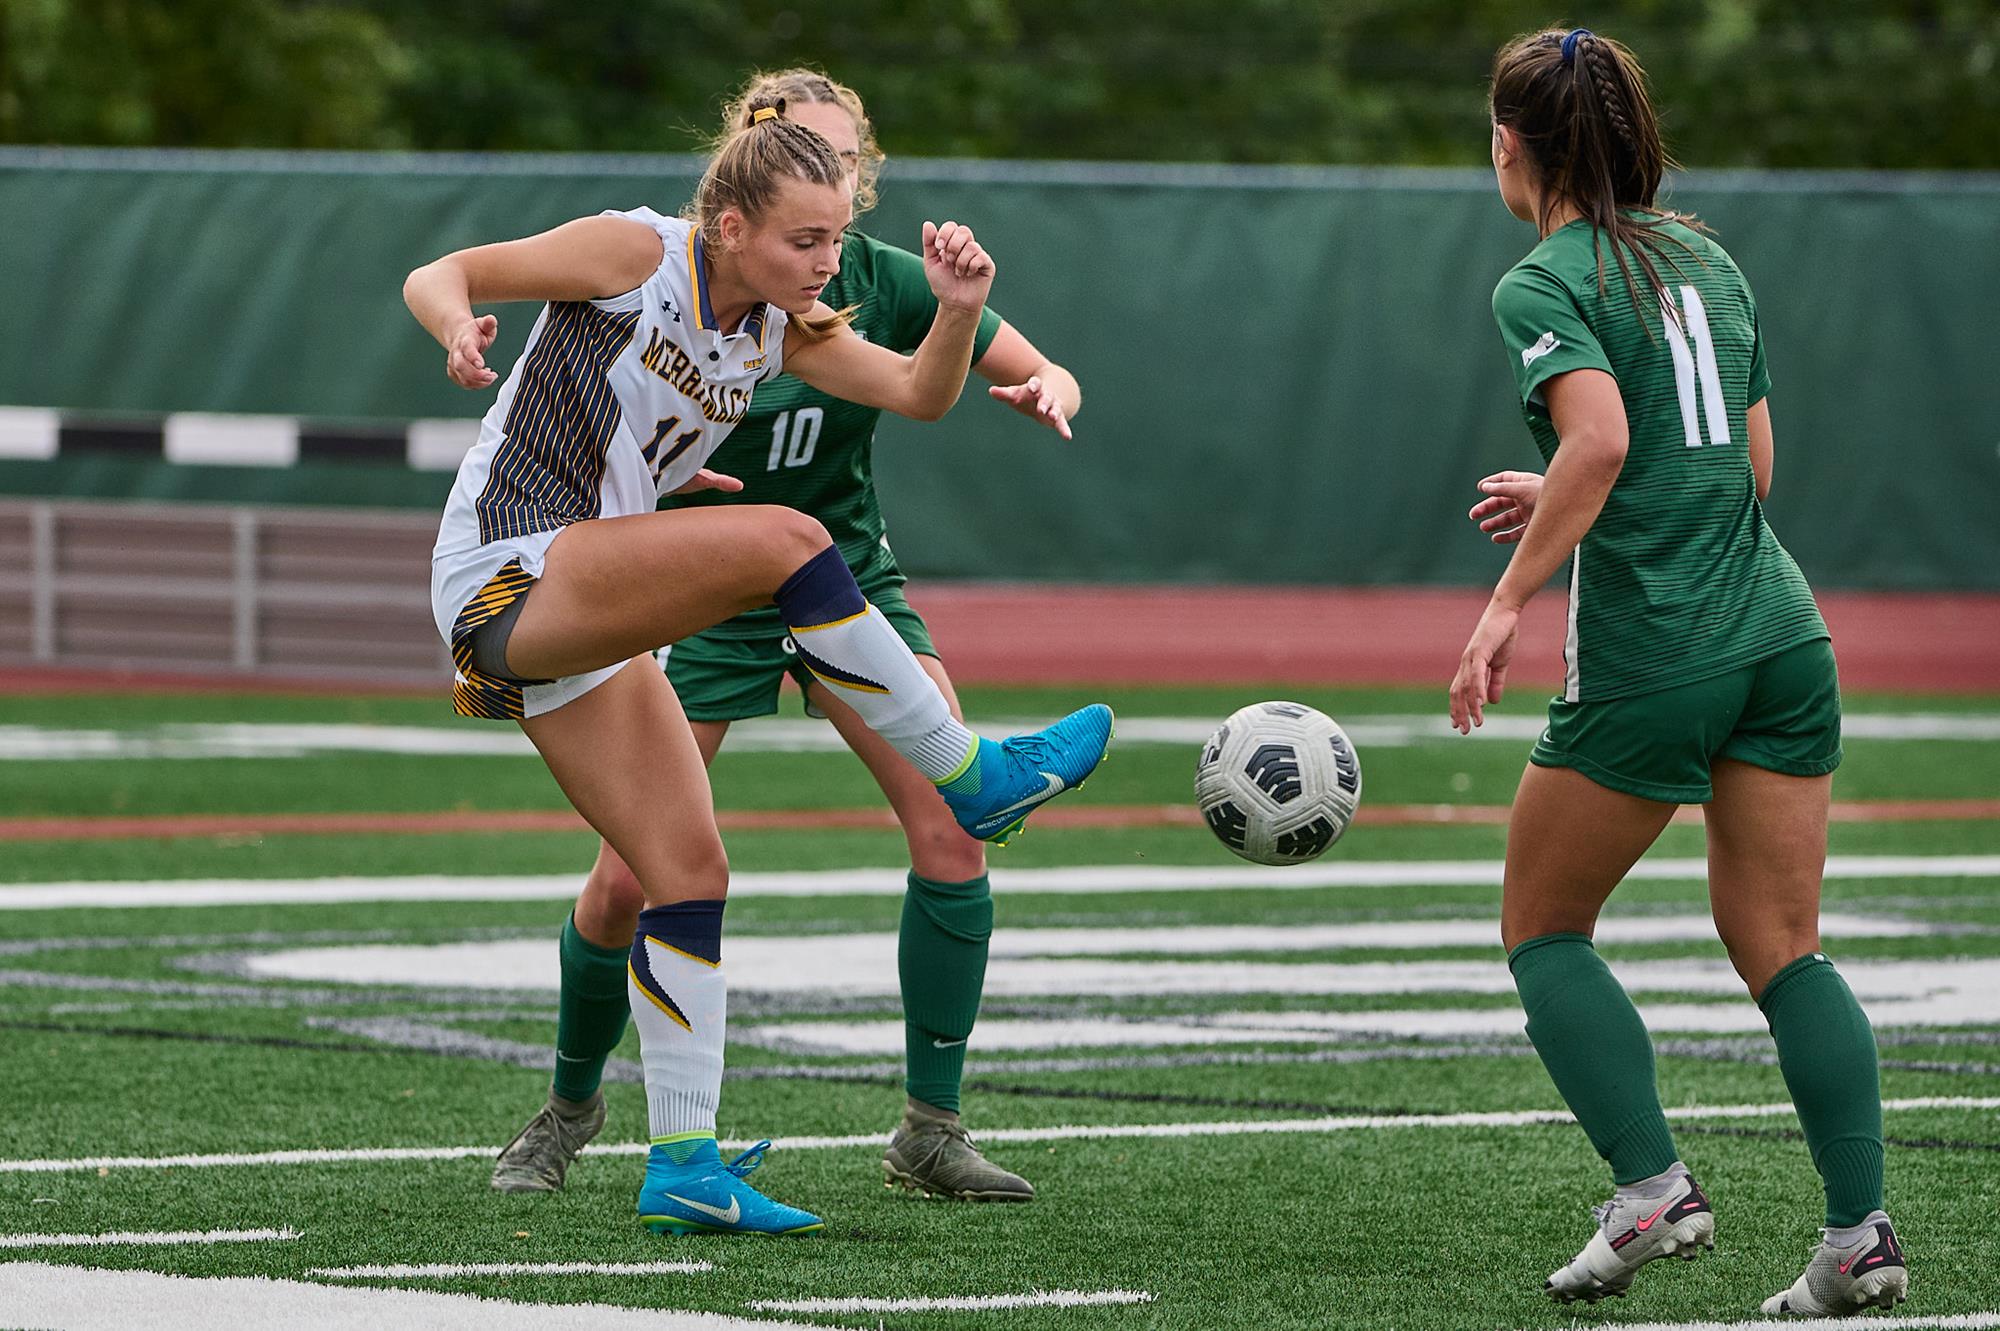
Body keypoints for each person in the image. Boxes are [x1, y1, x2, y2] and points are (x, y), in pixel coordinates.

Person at [406, 94, 1114, 1236]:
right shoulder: (635, 250)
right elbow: (444, 269)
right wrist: (455, 326)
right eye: (805, 238)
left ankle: (681, 1158)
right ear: (728, 224)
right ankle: (973, 769)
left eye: (837, 237)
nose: (828, 260)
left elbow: (921, 395)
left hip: (577, 608)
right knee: (791, 538)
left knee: (685, 873)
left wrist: (958, 312)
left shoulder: (776, 326)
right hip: (511, 566)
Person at [1451, 27, 1907, 1317]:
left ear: (1510, 143)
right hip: (1782, 635)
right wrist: (1572, 483)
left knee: (1541, 929)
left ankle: (1650, 1187)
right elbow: (1745, 468)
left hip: (1660, 647)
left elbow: (1597, 441)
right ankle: (1855, 1232)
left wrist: (1500, 607)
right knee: (1782, 949)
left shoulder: (1539, 279)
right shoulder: (1705, 256)